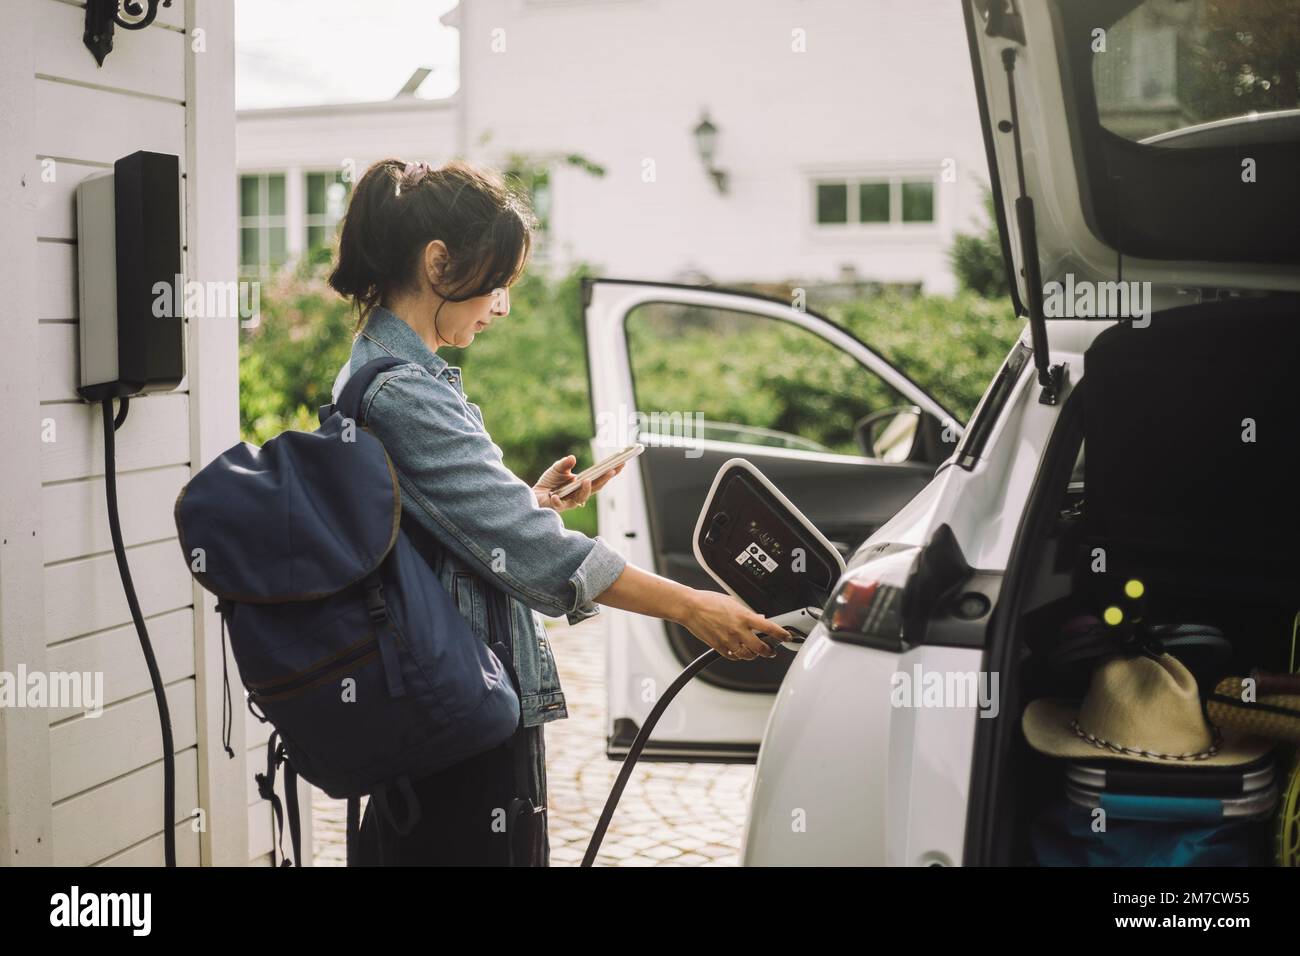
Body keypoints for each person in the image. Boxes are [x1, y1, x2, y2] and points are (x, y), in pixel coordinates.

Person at [326, 158, 788, 865]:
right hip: (458, 714)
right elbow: (544, 554)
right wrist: (694, 606)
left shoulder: (378, 369)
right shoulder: (404, 392)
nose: (497, 309)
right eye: (498, 287)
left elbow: (433, 525)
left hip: (430, 705)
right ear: (440, 263)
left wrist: (528, 503)